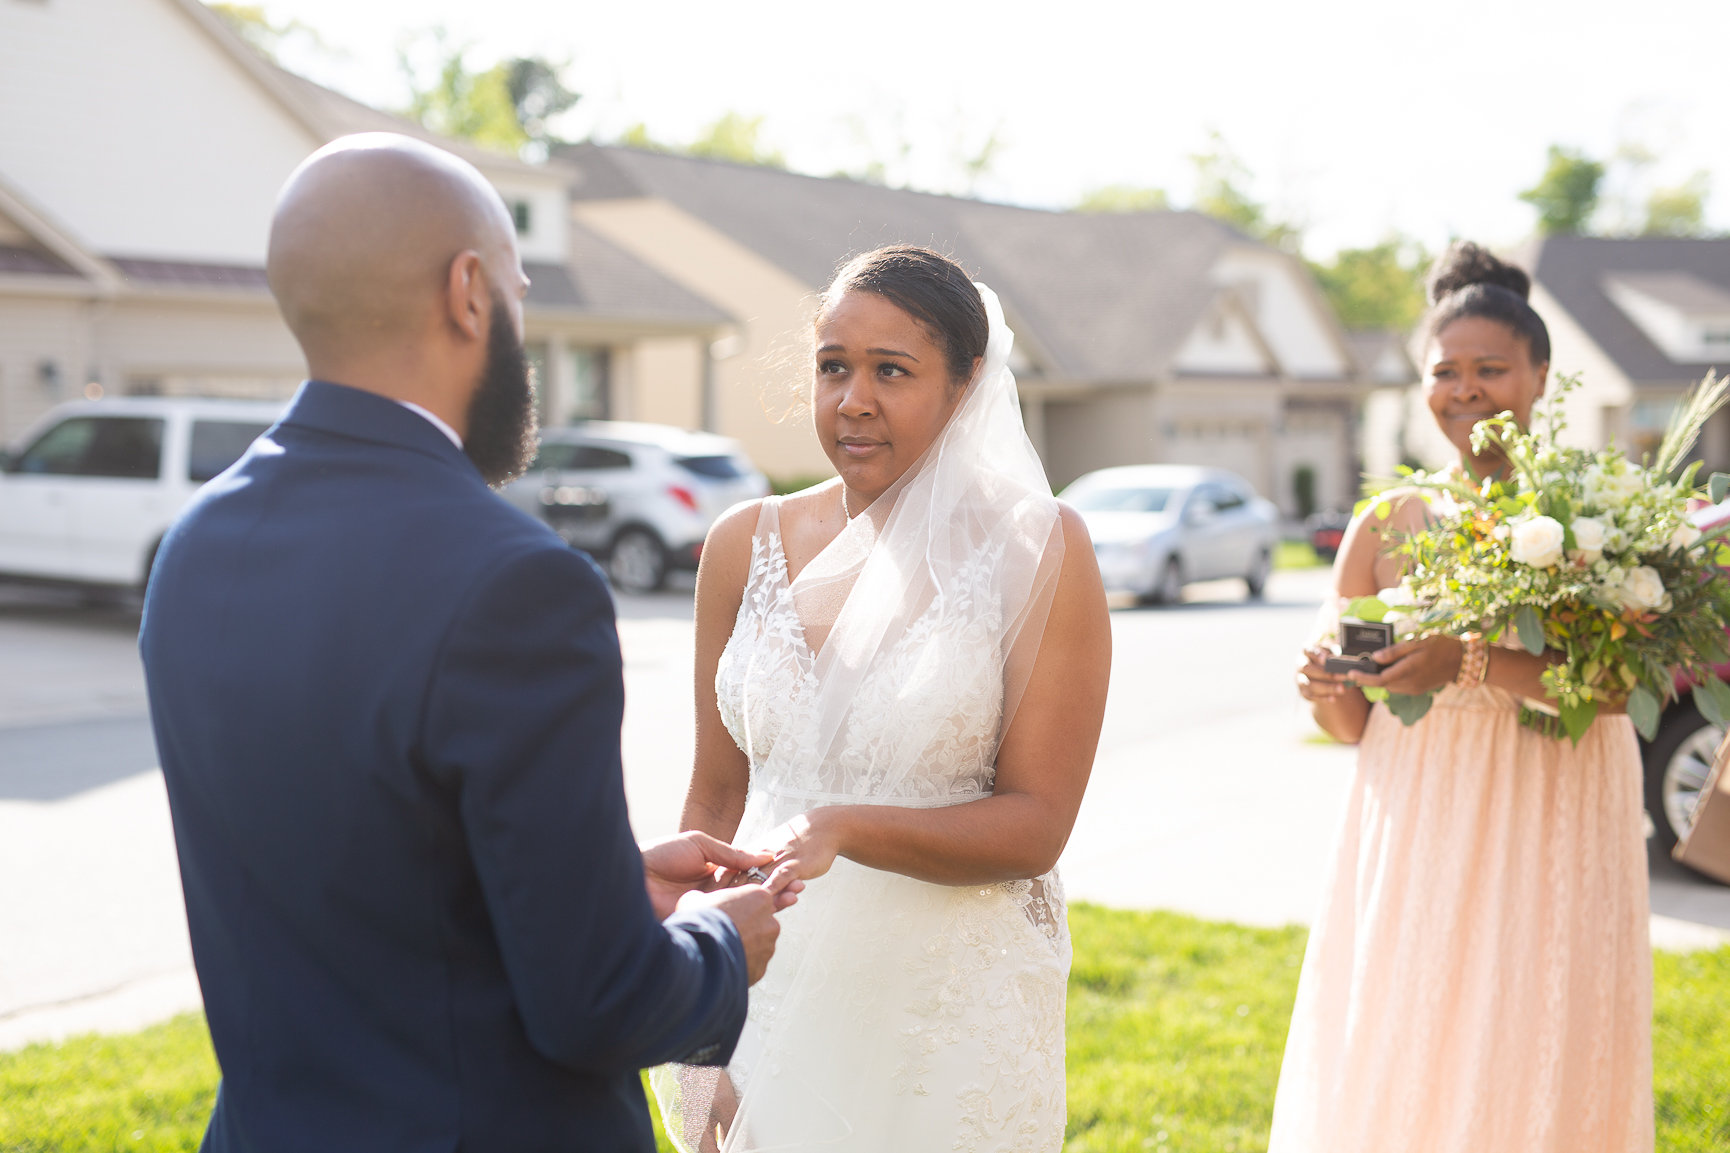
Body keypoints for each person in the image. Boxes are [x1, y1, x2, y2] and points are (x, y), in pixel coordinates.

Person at [138, 133, 797, 1153]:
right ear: (469, 292)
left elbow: (356, 869)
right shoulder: (518, 584)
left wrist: (603, 881)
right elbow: (596, 1004)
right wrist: (720, 940)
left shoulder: (195, 549)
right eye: (522, 297)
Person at [650, 246, 1112, 1152]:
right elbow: (712, 796)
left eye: (890, 371)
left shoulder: (1039, 552)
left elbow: (1036, 824)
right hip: (764, 985)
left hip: (942, 1020)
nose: (852, 399)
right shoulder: (745, 544)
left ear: (967, 383)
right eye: (833, 367)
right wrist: (699, 1029)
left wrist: (847, 827)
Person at [1272, 242, 1653, 1152]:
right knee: (1412, 1025)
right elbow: (1349, 724)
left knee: (1536, 1027)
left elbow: (1614, 688)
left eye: (1491, 368)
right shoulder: (1384, 522)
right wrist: (1322, 686)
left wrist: (1471, 662)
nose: (1466, 389)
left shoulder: (1597, 508)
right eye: (1446, 371)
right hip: (1418, 817)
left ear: (1540, 377)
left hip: (1553, 810)